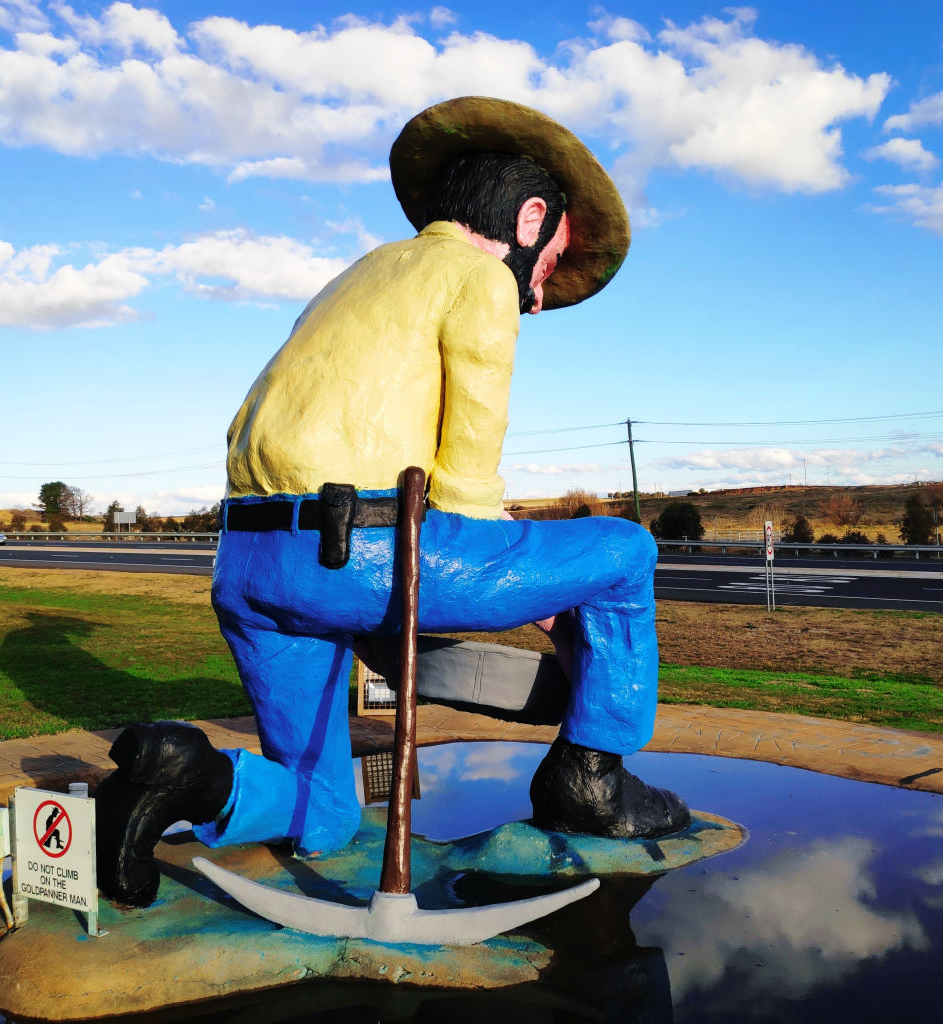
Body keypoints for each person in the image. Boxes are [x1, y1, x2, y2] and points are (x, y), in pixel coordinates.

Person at [97, 97, 689, 908]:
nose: (540, 297)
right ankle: (592, 775)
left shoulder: (364, 271)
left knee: (329, 811)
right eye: (548, 266)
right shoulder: (479, 277)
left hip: (249, 561)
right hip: (368, 554)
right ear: (528, 218)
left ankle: (185, 777)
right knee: (625, 554)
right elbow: (469, 472)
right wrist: (544, 595)